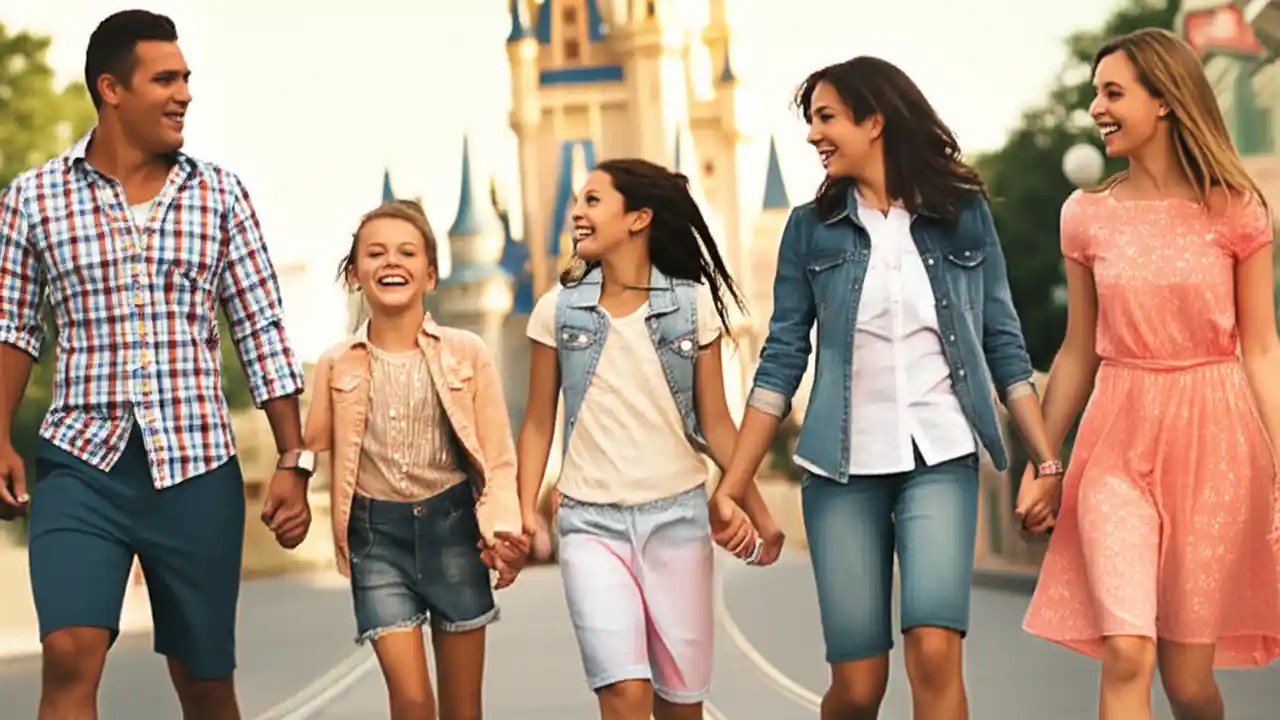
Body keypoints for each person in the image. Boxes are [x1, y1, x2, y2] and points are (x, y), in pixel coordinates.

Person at [710, 56, 1062, 720]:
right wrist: (733, 486)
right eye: (811, 120)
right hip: (840, 471)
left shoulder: (962, 216)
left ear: (874, 121)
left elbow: (1003, 344)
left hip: (941, 457)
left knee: (934, 651)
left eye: (827, 118)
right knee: (859, 689)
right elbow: (782, 361)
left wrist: (1046, 461)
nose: (814, 134)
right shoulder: (809, 232)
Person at [0, 10, 311, 720]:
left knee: (204, 688)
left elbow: (260, 328)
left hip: (195, 470)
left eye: (187, 79)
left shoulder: (221, 196)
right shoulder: (33, 199)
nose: (185, 95)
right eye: (165, 79)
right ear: (111, 89)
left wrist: (294, 458)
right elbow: (12, 328)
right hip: (81, 464)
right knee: (70, 654)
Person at [1022, 28, 1280, 719]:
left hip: (1217, 444)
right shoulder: (1085, 216)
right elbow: (1078, 351)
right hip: (1116, 438)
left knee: (1189, 683)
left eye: (1113, 93)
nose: (1096, 108)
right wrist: (1046, 463)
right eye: (1094, 94)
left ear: (1164, 100)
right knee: (1128, 650)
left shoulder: (1237, 210)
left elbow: (1262, 348)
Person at [516, 158, 784, 720]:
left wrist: (755, 508)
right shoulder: (557, 312)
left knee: (681, 706)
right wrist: (524, 514)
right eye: (577, 202)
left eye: (593, 201)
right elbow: (539, 420)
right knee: (624, 692)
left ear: (639, 217)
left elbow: (717, 423)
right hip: (590, 524)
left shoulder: (691, 308)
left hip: (677, 523)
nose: (577, 214)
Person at [302, 200, 528, 719]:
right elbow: (311, 446)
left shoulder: (467, 353)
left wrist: (500, 531)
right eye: (375, 253)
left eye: (407, 252)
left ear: (431, 273)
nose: (391, 262)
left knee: (462, 710)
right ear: (355, 274)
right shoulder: (336, 364)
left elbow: (497, 457)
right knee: (409, 700)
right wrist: (290, 479)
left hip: (454, 533)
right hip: (377, 541)